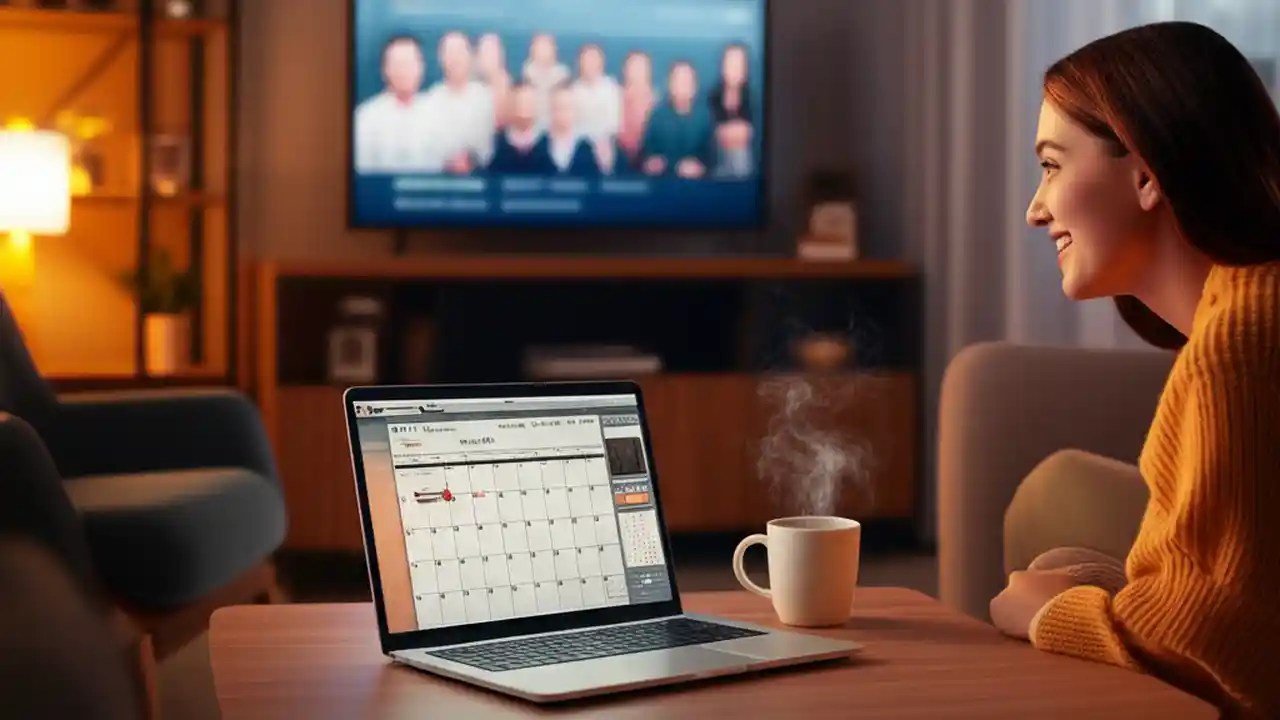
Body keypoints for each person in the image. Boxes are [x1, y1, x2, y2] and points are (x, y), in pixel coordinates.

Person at [991, 21, 1280, 719]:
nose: (1035, 209)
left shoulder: (1239, 345)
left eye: (1053, 165)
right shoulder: (1243, 305)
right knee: (1057, 508)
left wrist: (1049, 617)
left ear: (1147, 172)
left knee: (1045, 533)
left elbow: (1228, 645)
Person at [353, 35, 435, 173]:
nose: (404, 71)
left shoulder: (437, 112)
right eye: (398, 64)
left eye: (410, 63)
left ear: (421, 68)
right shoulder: (366, 116)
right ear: (385, 69)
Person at [421, 32, 495, 174]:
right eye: (449, 52)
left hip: (479, 175)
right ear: (440, 58)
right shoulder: (431, 100)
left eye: (460, 52)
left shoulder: (485, 97)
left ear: (470, 56)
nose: (455, 58)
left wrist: (470, 159)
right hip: (440, 175)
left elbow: (488, 147)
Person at [640, 61, 713, 179]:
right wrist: (651, 162)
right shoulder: (657, 115)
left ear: (694, 86)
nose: (682, 85)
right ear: (670, 84)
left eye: (687, 81)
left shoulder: (705, 116)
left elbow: (712, 157)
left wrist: (701, 167)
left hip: (696, 184)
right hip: (663, 182)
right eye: (678, 80)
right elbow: (646, 152)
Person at [570, 44, 621, 173]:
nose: (590, 65)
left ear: (602, 63)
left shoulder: (611, 88)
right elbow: (571, 124)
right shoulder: (573, 90)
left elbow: (614, 124)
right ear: (579, 63)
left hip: (605, 144)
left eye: (594, 60)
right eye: (586, 60)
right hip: (579, 144)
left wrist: (601, 143)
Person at [708, 43, 754, 178]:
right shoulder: (714, 94)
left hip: (742, 157)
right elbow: (714, 131)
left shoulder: (750, 95)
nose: (734, 70)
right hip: (717, 153)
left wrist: (736, 134)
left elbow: (747, 133)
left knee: (740, 156)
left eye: (739, 65)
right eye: (730, 64)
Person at [486, 83, 554, 175]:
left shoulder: (548, 142)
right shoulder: (497, 142)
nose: (524, 107)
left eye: (528, 102)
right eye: (519, 101)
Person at [544, 84, 599, 177]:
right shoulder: (540, 147)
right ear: (551, 110)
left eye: (566, 107)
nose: (562, 113)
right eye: (558, 108)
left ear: (575, 110)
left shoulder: (586, 149)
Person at [617, 51, 656, 171]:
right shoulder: (614, 99)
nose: (637, 74)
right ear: (625, 71)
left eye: (641, 69)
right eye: (633, 68)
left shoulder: (657, 104)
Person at [522, 33, 570, 130]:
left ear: (553, 50)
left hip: (554, 126)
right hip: (533, 126)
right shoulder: (528, 71)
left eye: (545, 48)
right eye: (538, 48)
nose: (541, 52)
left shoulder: (562, 74)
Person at [476, 33, 514, 130]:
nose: (489, 58)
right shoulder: (471, 84)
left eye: (493, 53)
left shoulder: (506, 85)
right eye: (485, 53)